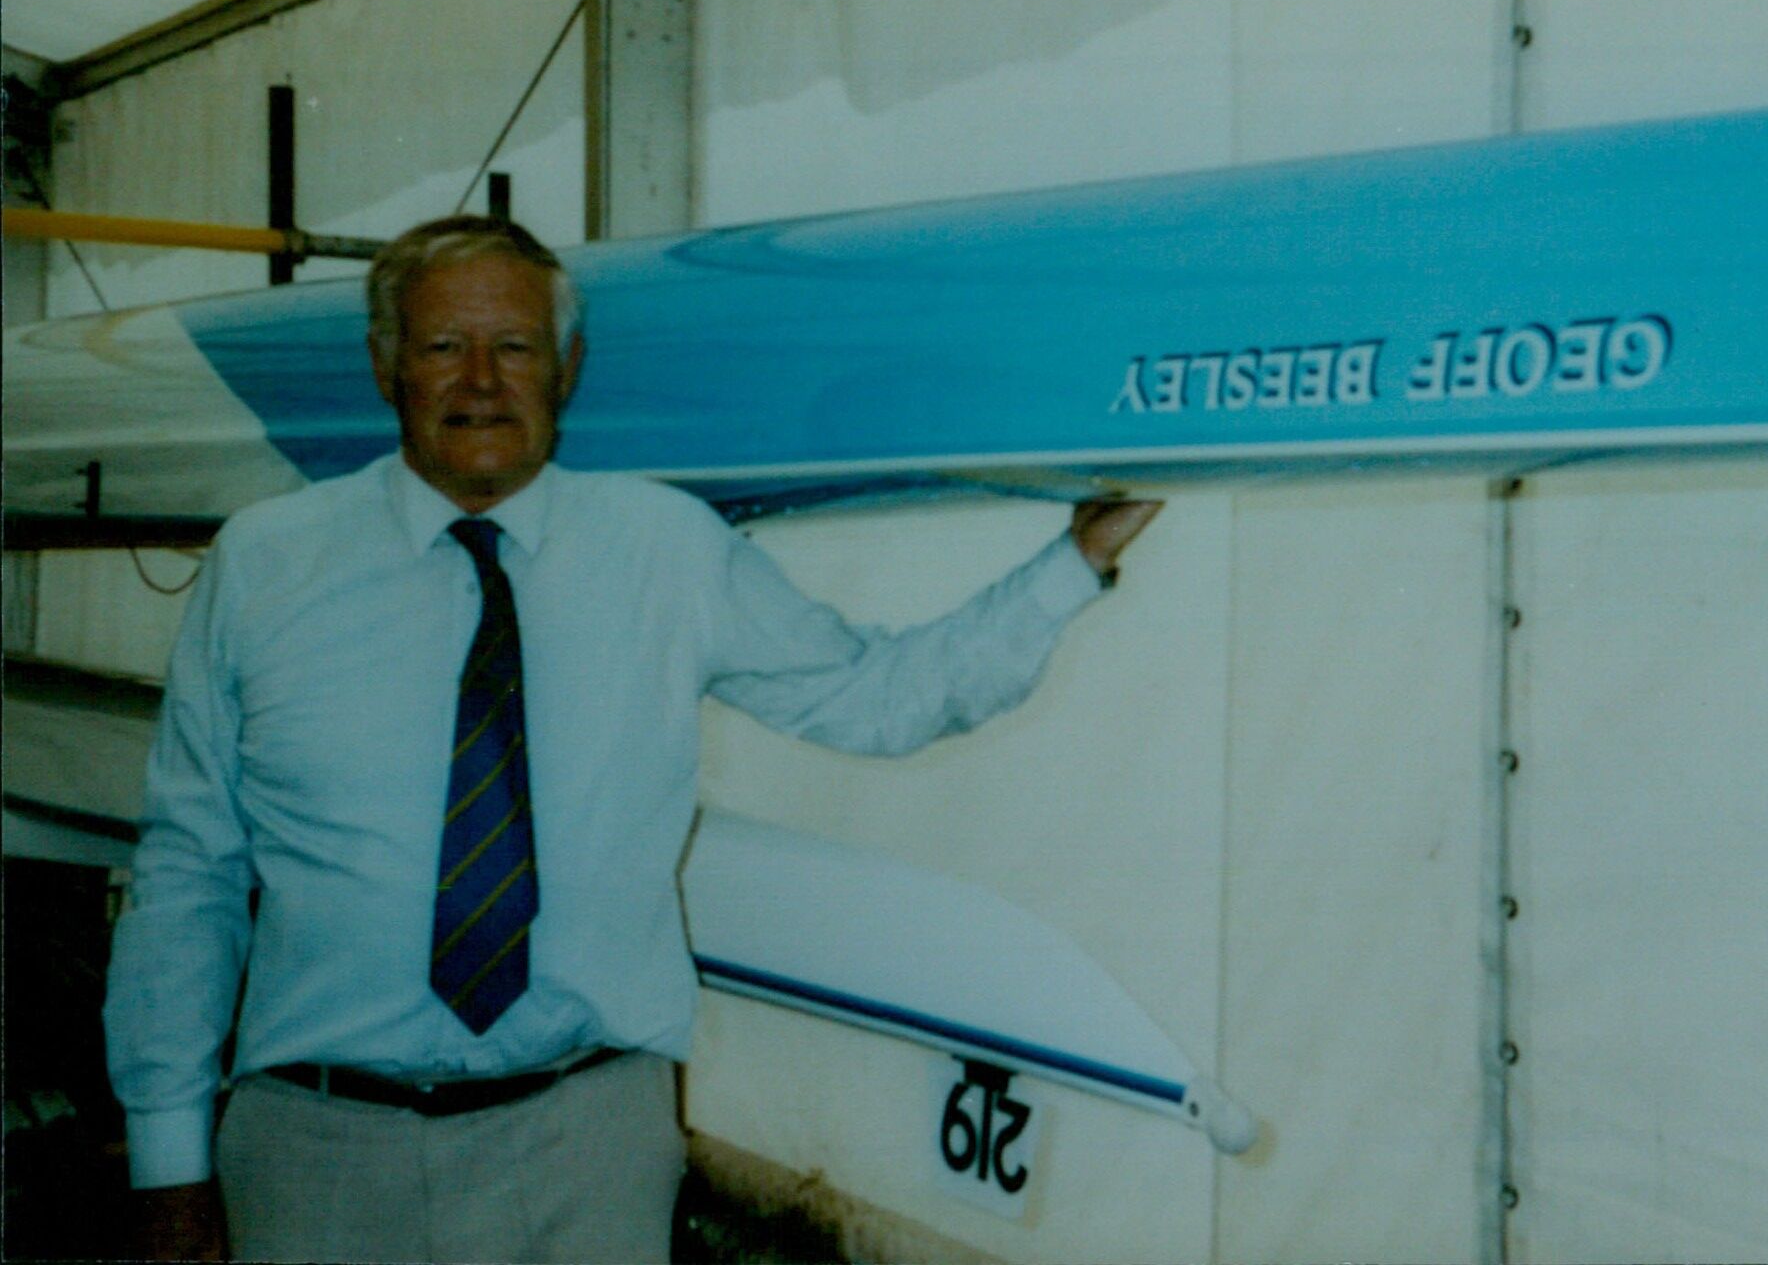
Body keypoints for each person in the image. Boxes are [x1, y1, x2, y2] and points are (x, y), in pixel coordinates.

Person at [103, 214, 1160, 1263]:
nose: (480, 379)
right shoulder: (263, 566)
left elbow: (875, 696)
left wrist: (1072, 562)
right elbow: (189, 872)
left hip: (585, 1149)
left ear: (568, 366)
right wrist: (167, 1162)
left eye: (514, 345)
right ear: (385, 364)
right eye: (441, 346)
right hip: (316, 1152)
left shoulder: (667, 551)